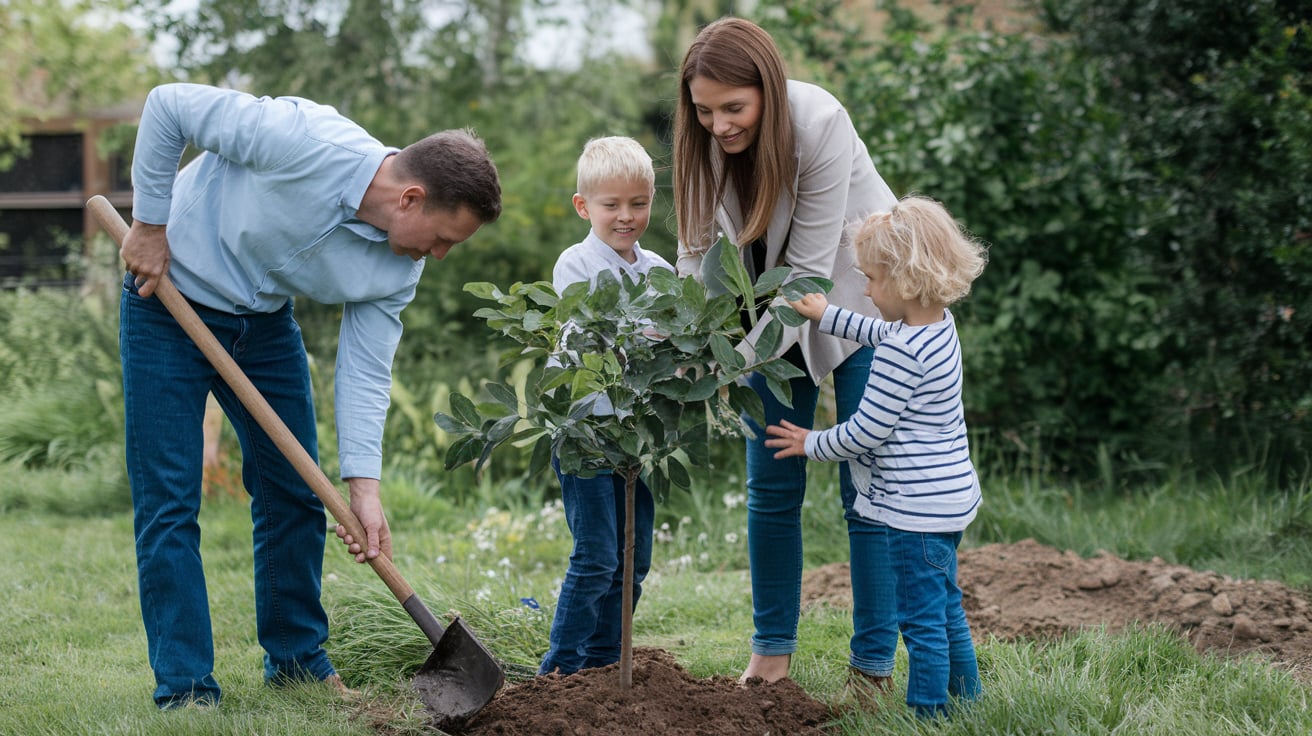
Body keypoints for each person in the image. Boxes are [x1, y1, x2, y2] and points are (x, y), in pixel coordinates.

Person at [118, 82, 501, 709]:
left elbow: (365, 370)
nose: (438, 255)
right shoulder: (302, 139)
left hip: (262, 325)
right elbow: (168, 106)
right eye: (443, 238)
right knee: (169, 498)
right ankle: (186, 687)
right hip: (167, 297)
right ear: (411, 197)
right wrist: (150, 225)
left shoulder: (398, 268)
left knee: (293, 493)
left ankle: (296, 662)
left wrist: (364, 488)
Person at [672, 16, 900, 688]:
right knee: (772, 485)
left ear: (767, 90)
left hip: (857, 291)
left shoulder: (820, 121)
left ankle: (873, 663)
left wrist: (731, 365)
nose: (719, 125)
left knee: (867, 484)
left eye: (734, 109)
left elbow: (807, 277)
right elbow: (691, 256)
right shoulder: (701, 140)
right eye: (704, 110)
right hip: (760, 300)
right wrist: (695, 342)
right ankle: (771, 651)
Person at [765, 194, 987, 718]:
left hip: (913, 511)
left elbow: (864, 433)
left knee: (920, 620)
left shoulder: (899, 355)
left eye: (871, 279)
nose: (865, 288)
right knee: (947, 606)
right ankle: (968, 698)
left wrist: (808, 442)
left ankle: (928, 714)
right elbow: (883, 330)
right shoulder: (937, 328)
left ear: (905, 280)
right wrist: (827, 315)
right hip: (949, 501)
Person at [539, 136, 673, 675]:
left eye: (638, 203)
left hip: (634, 437)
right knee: (597, 555)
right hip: (585, 433)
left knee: (633, 558)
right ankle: (560, 672)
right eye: (611, 205)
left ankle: (602, 664)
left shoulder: (658, 268)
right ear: (583, 206)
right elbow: (597, 342)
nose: (626, 216)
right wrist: (653, 335)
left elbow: (673, 342)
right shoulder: (576, 265)